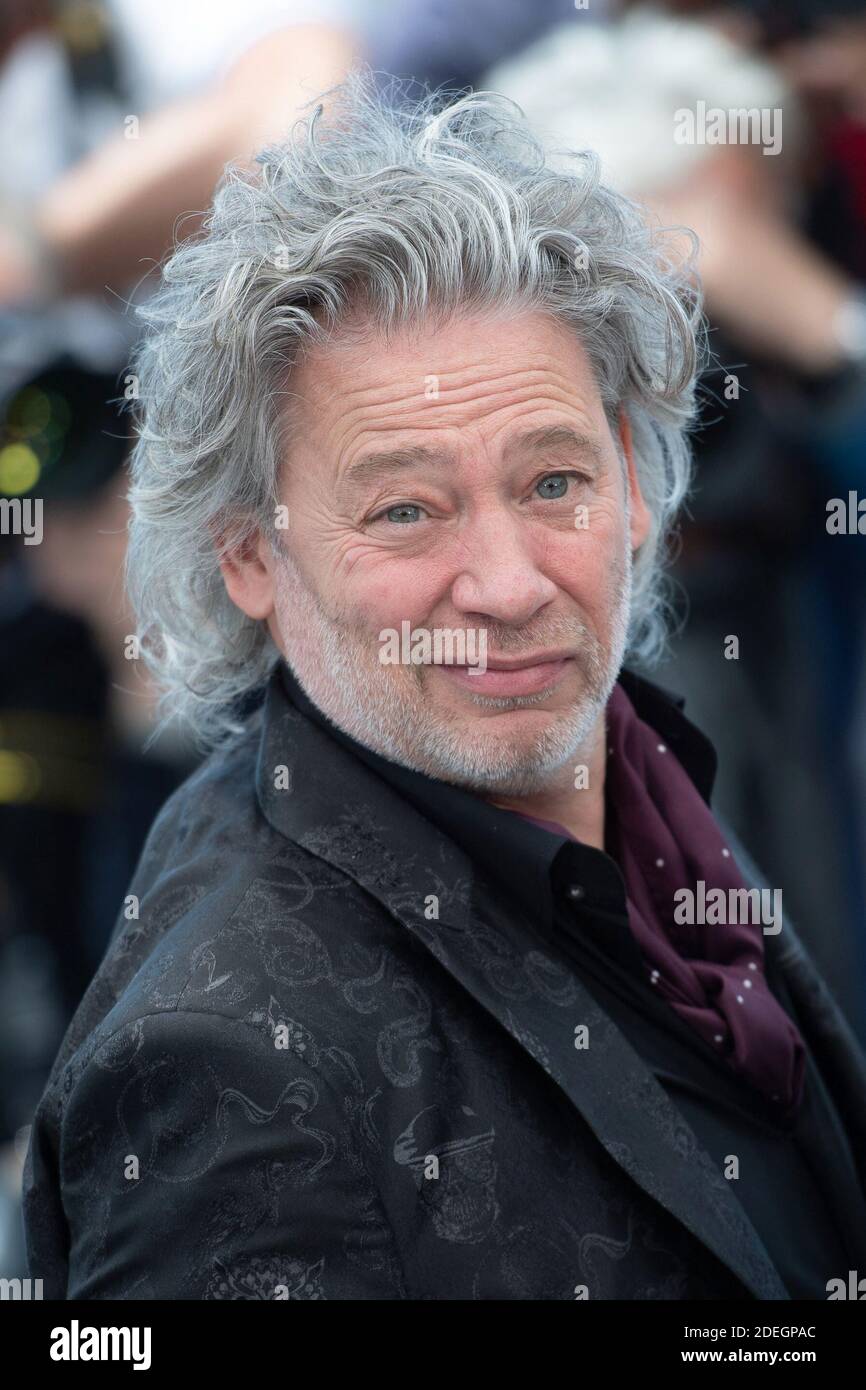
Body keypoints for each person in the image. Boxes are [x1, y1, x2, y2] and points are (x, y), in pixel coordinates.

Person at [23, 75, 866, 1300]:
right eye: (405, 509)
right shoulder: (224, 1069)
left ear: (631, 480)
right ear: (251, 554)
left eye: (551, 482)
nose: (510, 583)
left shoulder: (638, 785)